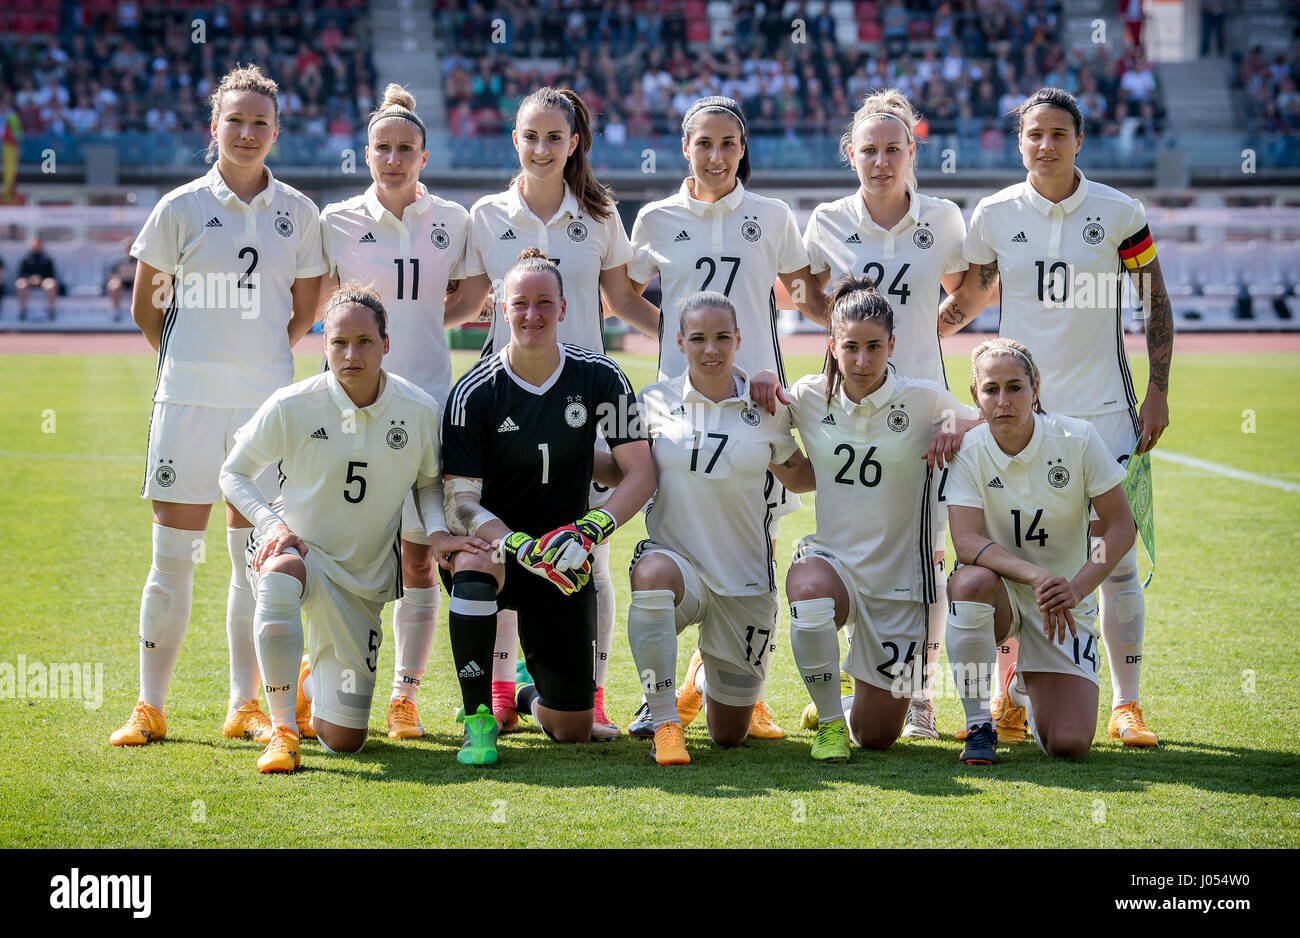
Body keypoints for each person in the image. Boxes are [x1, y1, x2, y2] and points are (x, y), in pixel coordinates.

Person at [937, 87, 1172, 748]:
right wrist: (925, 334)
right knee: (1021, 558)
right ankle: (1010, 695)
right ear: (1020, 143)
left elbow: (1155, 303)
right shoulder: (994, 214)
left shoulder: (1119, 212)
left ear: (1079, 141)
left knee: (1113, 563)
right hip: (1015, 422)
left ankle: (1127, 705)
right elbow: (976, 292)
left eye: (1057, 134)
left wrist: (1157, 390)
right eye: (1033, 134)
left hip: (1106, 419)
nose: (1044, 145)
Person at [110, 64, 325, 749]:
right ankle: (150, 706)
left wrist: (259, 361)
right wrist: (192, 362)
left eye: (261, 122)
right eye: (236, 120)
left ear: (277, 131)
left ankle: (243, 705)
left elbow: (306, 307)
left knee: (250, 560)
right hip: (187, 404)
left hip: (263, 411)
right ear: (214, 128)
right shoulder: (177, 208)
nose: (248, 132)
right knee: (172, 557)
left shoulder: (299, 211)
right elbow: (150, 308)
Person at [444, 87, 660, 740]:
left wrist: (693, 345)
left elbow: (624, 300)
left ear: (574, 144)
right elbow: (464, 304)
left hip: (587, 408)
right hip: (510, 404)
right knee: (506, 541)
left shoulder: (597, 216)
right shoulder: (485, 215)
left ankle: (585, 694)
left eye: (553, 138)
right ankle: (503, 692)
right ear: (515, 139)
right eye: (529, 136)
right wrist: (381, 327)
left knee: (582, 553)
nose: (541, 148)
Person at [219, 285, 488, 772]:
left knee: (345, 740)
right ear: (324, 344)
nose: (350, 353)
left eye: (364, 341)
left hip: (360, 582)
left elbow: (428, 486)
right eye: (339, 341)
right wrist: (271, 522)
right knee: (279, 572)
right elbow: (232, 473)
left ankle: (308, 683)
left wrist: (437, 533)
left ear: (386, 344)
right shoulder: (292, 404)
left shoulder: (419, 409)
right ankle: (281, 731)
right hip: (300, 549)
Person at [625, 94, 828, 740]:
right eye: (704, 143)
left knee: (754, 533)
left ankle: (743, 682)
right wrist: (673, 342)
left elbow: (805, 293)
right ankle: (664, 696)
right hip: (679, 402)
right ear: (685, 148)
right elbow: (622, 290)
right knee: (675, 530)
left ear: (743, 150)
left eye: (729, 144)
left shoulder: (771, 216)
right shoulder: (656, 218)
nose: (716, 156)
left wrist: (838, 350)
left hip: (757, 403)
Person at [440, 248, 656, 765]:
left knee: (572, 730)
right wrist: (514, 542)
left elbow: (642, 471)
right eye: (521, 304)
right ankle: (477, 720)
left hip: (563, 558)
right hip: (500, 548)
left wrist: (587, 532)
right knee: (472, 565)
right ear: (499, 309)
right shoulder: (473, 392)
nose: (532, 314)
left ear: (563, 308)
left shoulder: (602, 377)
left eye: (544, 303)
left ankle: (525, 694)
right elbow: (461, 500)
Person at [800, 88, 969, 739]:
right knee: (847, 538)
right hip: (850, 401)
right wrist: (848, 337)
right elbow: (803, 288)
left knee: (925, 556)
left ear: (910, 151)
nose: (880, 160)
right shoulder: (827, 219)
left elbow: (974, 282)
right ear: (851, 153)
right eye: (868, 150)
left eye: (892, 149)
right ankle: (846, 674)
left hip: (923, 410)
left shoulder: (944, 218)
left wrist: (940, 324)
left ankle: (919, 694)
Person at [319, 83, 478, 741]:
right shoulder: (334, 222)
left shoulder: (453, 219)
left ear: (424, 154)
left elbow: (471, 292)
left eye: (405, 149)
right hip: (352, 409)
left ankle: (404, 697)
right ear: (367, 153)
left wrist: (421, 327)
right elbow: (325, 309)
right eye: (382, 148)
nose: (393, 158)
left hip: (428, 409)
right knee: (349, 554)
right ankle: (326, 676)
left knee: (419, 558)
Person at [764, 277, 976, 762]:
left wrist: (962, 426)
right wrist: (758, 391)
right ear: (832, 345)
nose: (862, 361)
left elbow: (995, 419)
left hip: (903, 583)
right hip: (833, 562)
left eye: (874, 347)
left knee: (879, 736)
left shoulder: (926, 401)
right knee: (810, 591)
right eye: (851, 347)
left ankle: (842, 702)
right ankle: (831, 725)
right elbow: (797, 476)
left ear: (892, 345)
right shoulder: (809, 397)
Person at [629, 292, 813, 764]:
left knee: (728, 736)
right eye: (698, 338)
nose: (710, 349)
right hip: (678, 565)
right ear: (679, 342)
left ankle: (702, 678)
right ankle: (664, 719)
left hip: (744, 581)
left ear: (739, 340)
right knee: (650, 576)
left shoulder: (767, 406)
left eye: (722, 338)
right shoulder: (652, 401)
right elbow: (625, 472)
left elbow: (800, 475)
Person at [943, 338, 1136, 764]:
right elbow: (966, 542)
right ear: (976, 396)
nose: (1004, 400)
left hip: (1061, 605)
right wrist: (1034, 576)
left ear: (1036, 388)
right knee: (969, 582)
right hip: (1004, 596)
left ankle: (1020, 684)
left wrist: (1079, 587)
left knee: (1068, 745)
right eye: (991, 389)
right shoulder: (969, 451)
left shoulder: (1078, 439)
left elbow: (1122, 528)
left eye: (1015, 387)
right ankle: (979, 724)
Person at [16, 236, 57, 321]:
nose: (37, 246)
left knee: (51, 284)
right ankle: (22, 312)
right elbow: (21, 274)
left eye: (39, 244)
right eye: (35, 244)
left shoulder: (47, 259)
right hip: (29, 281)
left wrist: (40, 279)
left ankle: (51, 311)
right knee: (20, 284)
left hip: (43, 282)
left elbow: (51, 275)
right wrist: (30, 279)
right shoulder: (26, 259)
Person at [105, 239, 135, 321]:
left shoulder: (140, 262)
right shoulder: (118, 262)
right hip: (122, 283)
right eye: (128, 248)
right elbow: (111, 275)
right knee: (114, 286)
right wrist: (118, 278)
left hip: (136, 283)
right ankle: (116, 311)